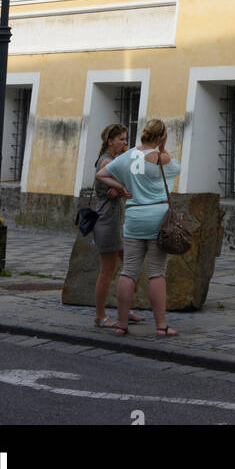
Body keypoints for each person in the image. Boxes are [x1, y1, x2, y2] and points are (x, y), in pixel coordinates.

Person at [97, 118, 181, 339]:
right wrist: (162, 149)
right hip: (157, 218)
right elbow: (176, 169)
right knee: (156, 273)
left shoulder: (127, 156)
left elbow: (101, 174)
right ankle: (161, 326)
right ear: (161, 137)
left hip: (134, 217)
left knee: (128, 272)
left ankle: (121, 325)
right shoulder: (162, 158)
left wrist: (122, 186)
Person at [91, 122, 143, 328]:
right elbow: (126, 185)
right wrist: (120, 188)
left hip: (116, 218)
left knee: (128, 265)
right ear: (110, 141)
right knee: (107, 271)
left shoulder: (113, 160)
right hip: (108, 219)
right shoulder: (106, 162)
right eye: (121, 139)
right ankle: (100, 316)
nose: (125, 142)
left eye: (125, 138)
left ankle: (125, 309)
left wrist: (119, 188)